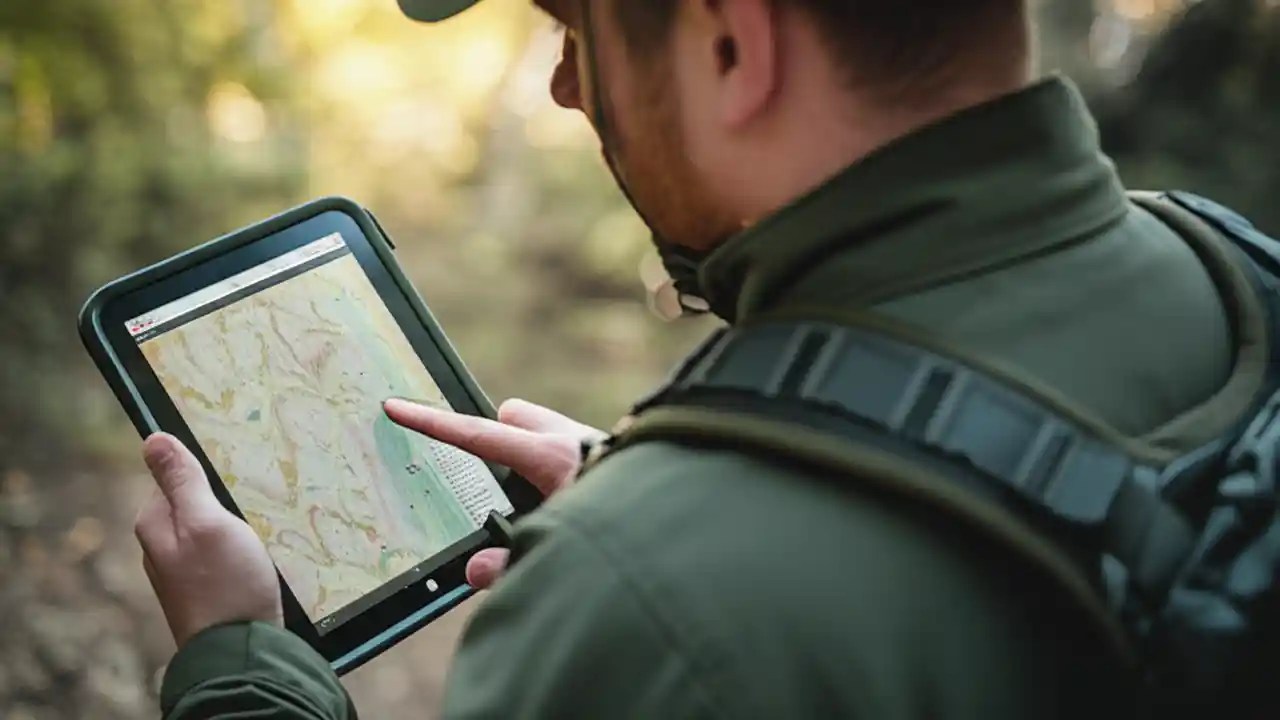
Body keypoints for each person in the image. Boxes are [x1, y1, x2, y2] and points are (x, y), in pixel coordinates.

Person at [136, 0, 1257, 717]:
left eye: (577, 31)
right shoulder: (1239, 267)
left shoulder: (645, 620)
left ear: (730, 45)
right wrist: (658, 506)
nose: (567, 87)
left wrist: (243, 662)